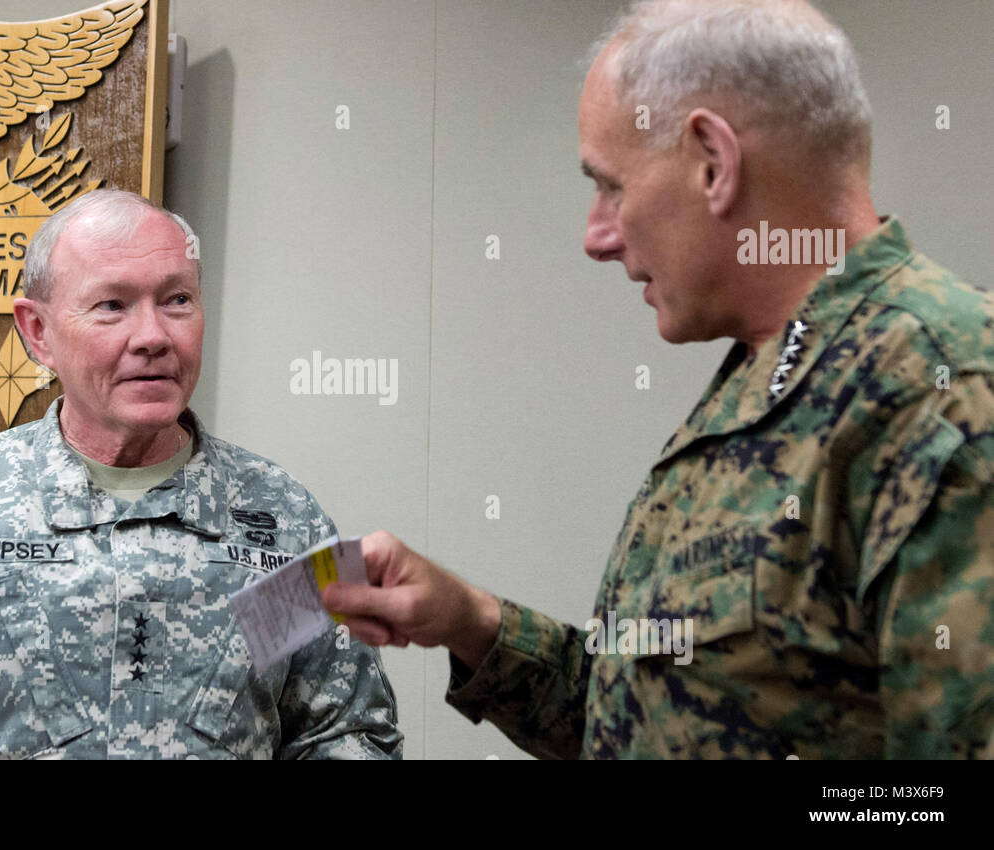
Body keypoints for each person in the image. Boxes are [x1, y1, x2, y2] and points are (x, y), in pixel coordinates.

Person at [324, 0, 994, 758]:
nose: (596, 236)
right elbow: (651, 719)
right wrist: (468, 621)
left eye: (610, 186)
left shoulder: (941, 391)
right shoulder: (767, 376)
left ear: (714, 161)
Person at [0, 189, 402, 759]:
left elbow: (345, 735)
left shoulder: (285, 525)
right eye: (112, 306)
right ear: (37, 333)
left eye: (176, 300)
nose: (152, 335)